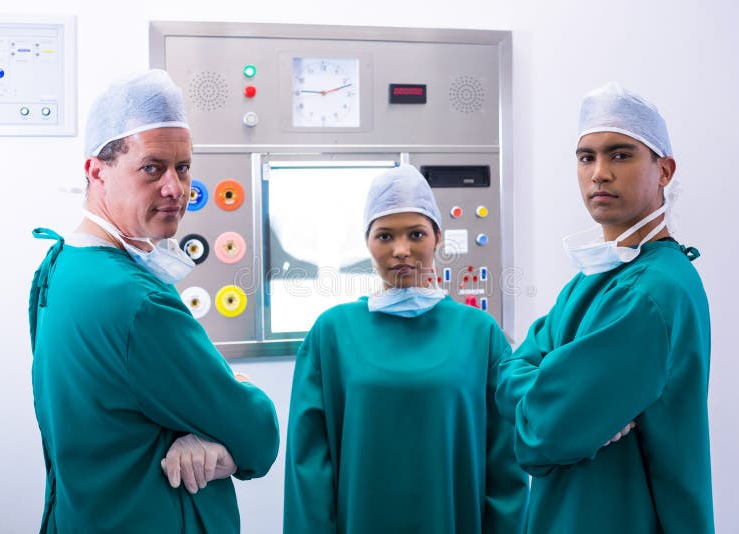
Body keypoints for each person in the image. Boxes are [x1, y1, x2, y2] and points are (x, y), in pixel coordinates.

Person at [29, 69, 279, 533]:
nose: (175, 188)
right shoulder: (138, 304)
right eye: (152, 168)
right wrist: (235, 387)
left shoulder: (59, 268)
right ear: (96, 172)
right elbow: (259, 434)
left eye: (182, 167)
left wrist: (200, 426)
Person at [496, 81, 713, 533]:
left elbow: (544, 432)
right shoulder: (594, 278)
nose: (599, 173)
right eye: (586, 157)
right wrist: (554, 399)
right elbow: (508, 375)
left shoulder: (650, 293)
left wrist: (548, 397)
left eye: (620, 154)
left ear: (664, 170)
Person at [283, 164, 528, 534]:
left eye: (416, 234)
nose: (401, 250)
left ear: (437, 238)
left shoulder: (480, 334)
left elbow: (506, 465)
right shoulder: (331, 334)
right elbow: (309, 468)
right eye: (385, 236)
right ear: (367, 242)